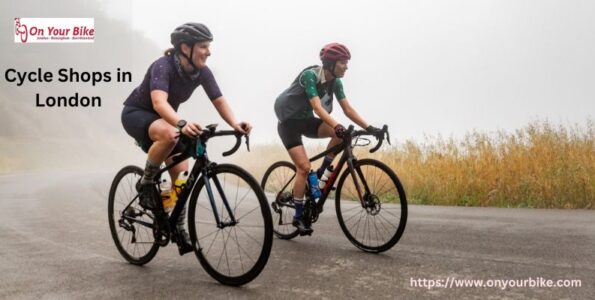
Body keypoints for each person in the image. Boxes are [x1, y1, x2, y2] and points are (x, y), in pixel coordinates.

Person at [121, 23, 252, 253]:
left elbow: (219, 101)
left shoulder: (202, 72)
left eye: (208, 46)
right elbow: (158, 103)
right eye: (203, 46)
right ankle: (146, 184)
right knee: (171, 134)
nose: (209, 52)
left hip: (165, 118)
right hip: (137, 113)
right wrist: (181, 123)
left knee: (181, 173)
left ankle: (177, 227)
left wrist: (235, 124)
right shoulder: (163, 66)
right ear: (185, 47)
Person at [274, 43, 383, 234]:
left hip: (307, 121)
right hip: (288, 123)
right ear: (331, 63)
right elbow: (317, 107)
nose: (346, 66)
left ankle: (320, 174)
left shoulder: (336, 82)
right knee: (303, 167)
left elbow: (347, 109)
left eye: (347, 62)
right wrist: (336, 125)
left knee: (341, 137)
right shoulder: (310, 76)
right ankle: (298, 217)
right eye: (343, 62)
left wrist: (370, 128)